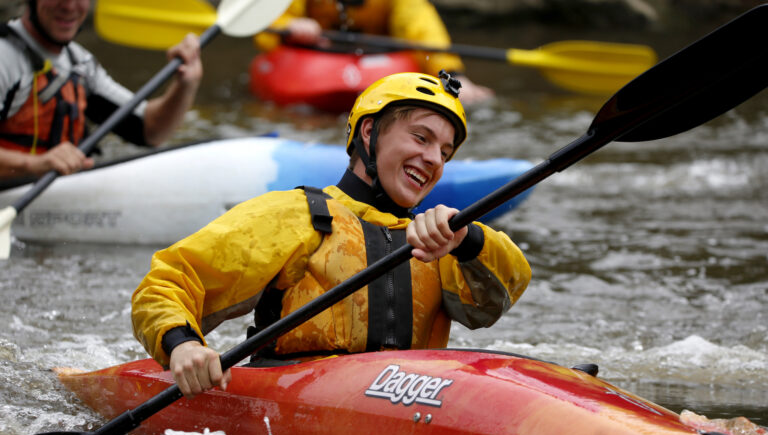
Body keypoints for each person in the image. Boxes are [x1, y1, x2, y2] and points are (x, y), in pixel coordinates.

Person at [132, 71, 530, 398]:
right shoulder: (297, 216)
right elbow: (166, 283)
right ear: (370, 132)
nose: (432, 159)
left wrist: (468, 240)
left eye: (444, 152)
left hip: (405, 406)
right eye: (421, 138)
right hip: (295, 403)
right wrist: (182, 344)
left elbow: (503, 293)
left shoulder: (439, 243)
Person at [0, 0, 202, 190]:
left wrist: (185, 84)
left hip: (54, 196)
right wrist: (33, 164)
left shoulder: (79, 63)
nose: (70, 6)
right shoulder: (4, 58)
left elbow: (150, 130)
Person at [255, 0, 493, 105]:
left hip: (378, 60)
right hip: (311, 60)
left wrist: (452, 75)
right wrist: (289, 26)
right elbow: (268, 27)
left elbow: (423, 29)